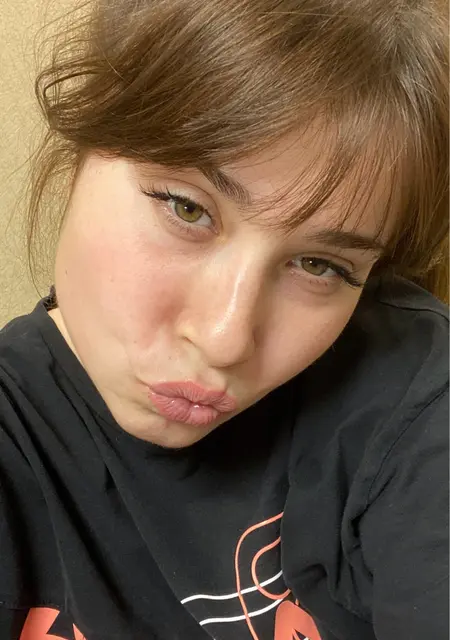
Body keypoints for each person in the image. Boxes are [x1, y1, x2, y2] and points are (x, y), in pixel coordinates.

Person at [0, 0, 448, 638]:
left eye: (319, 265)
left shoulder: (413, 393)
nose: (225, 341)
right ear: (82, 149)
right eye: (186, 209)